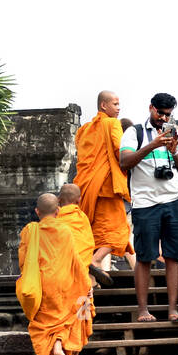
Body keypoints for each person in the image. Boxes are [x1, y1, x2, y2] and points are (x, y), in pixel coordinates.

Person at [119, 93, 178, 324]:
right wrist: (152, 145)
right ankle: (143, 310)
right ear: (151, 108)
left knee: (173, 256)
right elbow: (125, 162)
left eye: (168, 114)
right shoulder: (135, 132)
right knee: (144, 256)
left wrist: (173, 150)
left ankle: (172, 309)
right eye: (159, 113)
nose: (163, 118)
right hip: (145, 202)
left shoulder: (175, 131)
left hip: (174, 199)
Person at [17, 192, 94, 355]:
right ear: (58, 210)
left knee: (40, 325)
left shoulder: (30, 230)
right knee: (65, 317)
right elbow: (76, 260)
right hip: (65, 283)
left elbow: (23, 260)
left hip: (42, 284)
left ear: (37, 211)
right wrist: (86, 284)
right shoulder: (66, 230)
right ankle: (59, 344)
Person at [74, 91, 134, 276]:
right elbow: (120, 152)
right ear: (103, 106)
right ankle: (97, 260)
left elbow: (83, 156)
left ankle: (93, 274)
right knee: (119, 230)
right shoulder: (112, 124)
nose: (118, 108)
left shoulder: (84, 129)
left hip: (86, 187)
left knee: (95, 232)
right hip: (107, 187)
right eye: (115, 104)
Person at [56, 183, 101, 285]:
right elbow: (88, 241)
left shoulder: (56, 217)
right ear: (79, 200)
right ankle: (92, 281)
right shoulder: (81, 217)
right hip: (81, 259)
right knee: (84, 255)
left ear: (58, 200)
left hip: (62, 263)